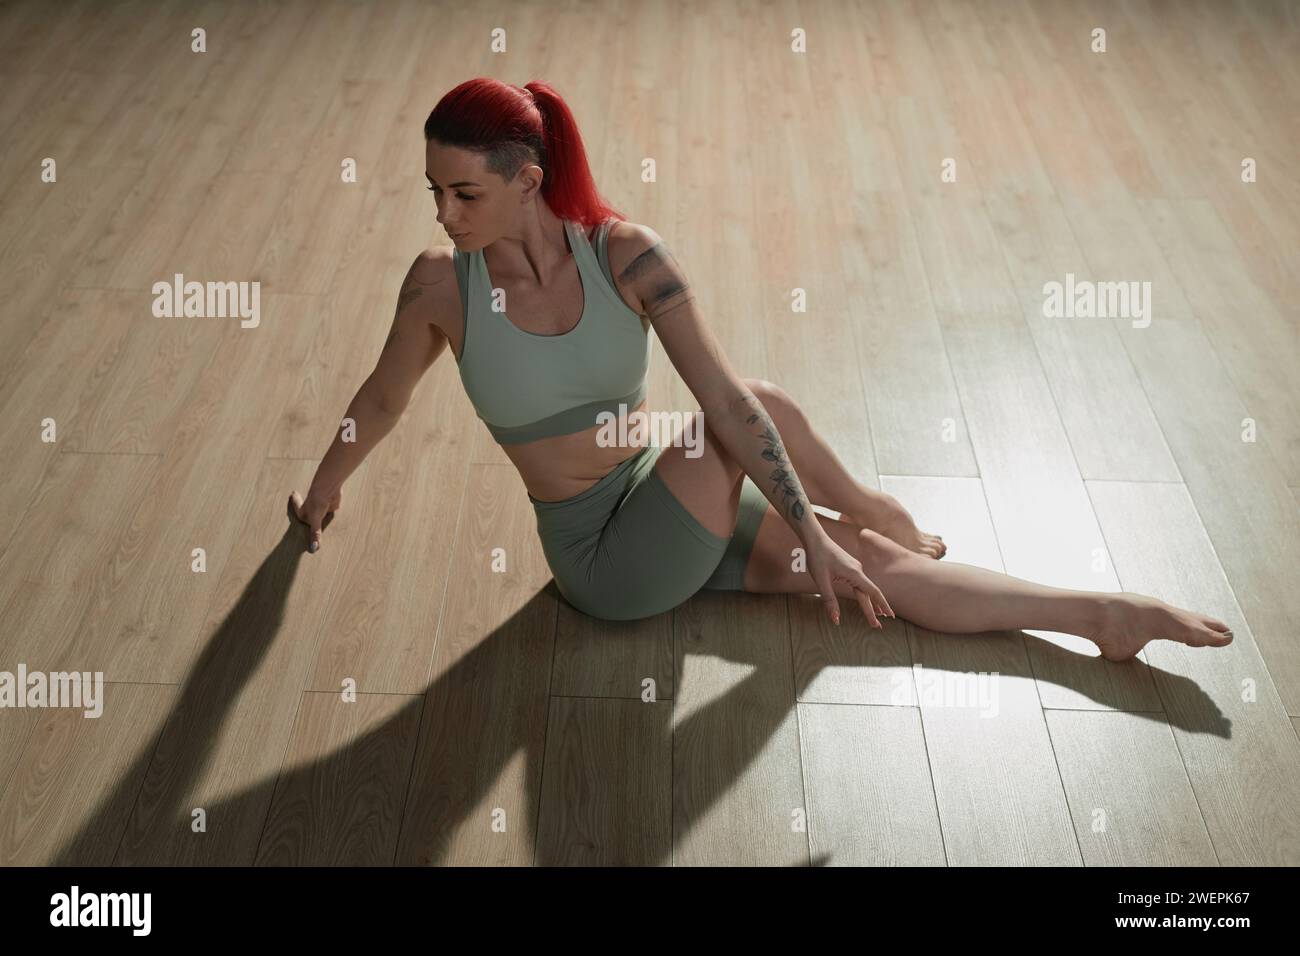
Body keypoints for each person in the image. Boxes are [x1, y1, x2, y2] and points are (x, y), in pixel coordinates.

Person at [291, 78, 1234, 663]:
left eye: (464, 194)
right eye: (435, 193)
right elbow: (381, 398)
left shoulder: (625, 255)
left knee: (876, 570)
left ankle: (1098, 613)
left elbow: (722, 397)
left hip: (660, 489)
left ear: (528, 181)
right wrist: (327, 485)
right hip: (602, 558)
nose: (444, 216)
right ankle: (863, 506)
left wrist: (813, 534)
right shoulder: (439, 290)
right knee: (765, 421)